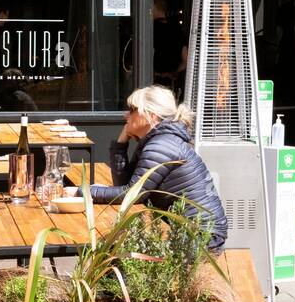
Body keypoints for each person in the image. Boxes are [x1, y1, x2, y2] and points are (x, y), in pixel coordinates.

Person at [87, 85, 228, 250]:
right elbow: (125, 185)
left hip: (201, 237)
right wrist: (121, 142)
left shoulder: (162, 145)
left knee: (116, 246)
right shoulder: (158, 141)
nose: (126, 115)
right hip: (193, 232)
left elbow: (131, 195)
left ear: (151, 115)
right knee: (118, 244)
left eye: (132, 110)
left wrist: (84, 192)